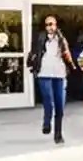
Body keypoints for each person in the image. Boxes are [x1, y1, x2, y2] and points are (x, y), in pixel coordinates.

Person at [28, 14, 74, 144]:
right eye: (47, 24)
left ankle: (58, 134)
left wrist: (73, 68)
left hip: (59, 74)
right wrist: (32, 63)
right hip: (44, 73)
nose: (50, 27)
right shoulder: (40, 38)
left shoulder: (61, 39)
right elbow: (33, 53)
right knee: (48, 101)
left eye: (52, 24)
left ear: (56, 25)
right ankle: (47, 122)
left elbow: (67, 55)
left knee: (60, 105)